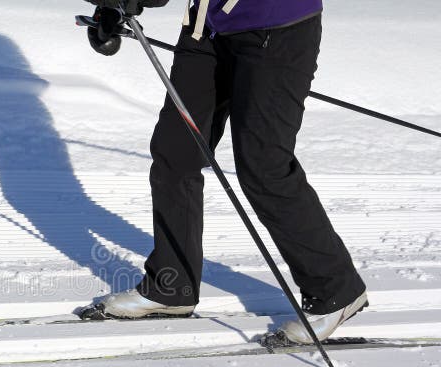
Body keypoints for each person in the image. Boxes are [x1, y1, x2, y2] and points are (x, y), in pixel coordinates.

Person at [81, 0, 368, 343]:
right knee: (176, 152)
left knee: (264, 166)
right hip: (207, 29)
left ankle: (335, 289)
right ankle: (171, 287)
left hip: (278, 27)